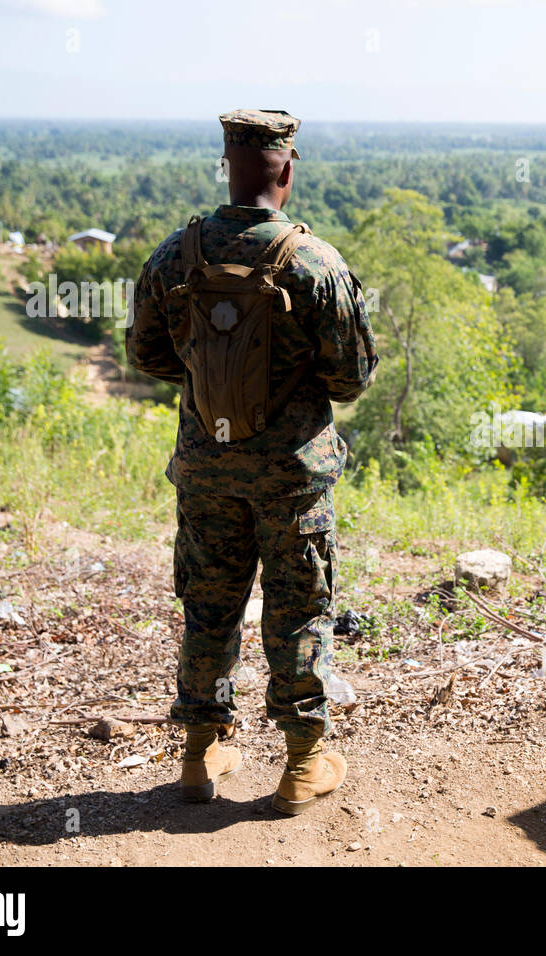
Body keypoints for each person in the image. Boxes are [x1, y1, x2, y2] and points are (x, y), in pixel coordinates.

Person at [126, 108, 378, 814]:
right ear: (287, 172)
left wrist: (212, 377)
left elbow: (146, 354)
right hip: (291, 478)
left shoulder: (177, 256)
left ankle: (200, 755)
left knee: (209, 607)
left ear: (228, 167)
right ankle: (302, 765)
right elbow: (353, 378)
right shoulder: (315, 263)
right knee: (298, 613)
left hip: (206, 470)